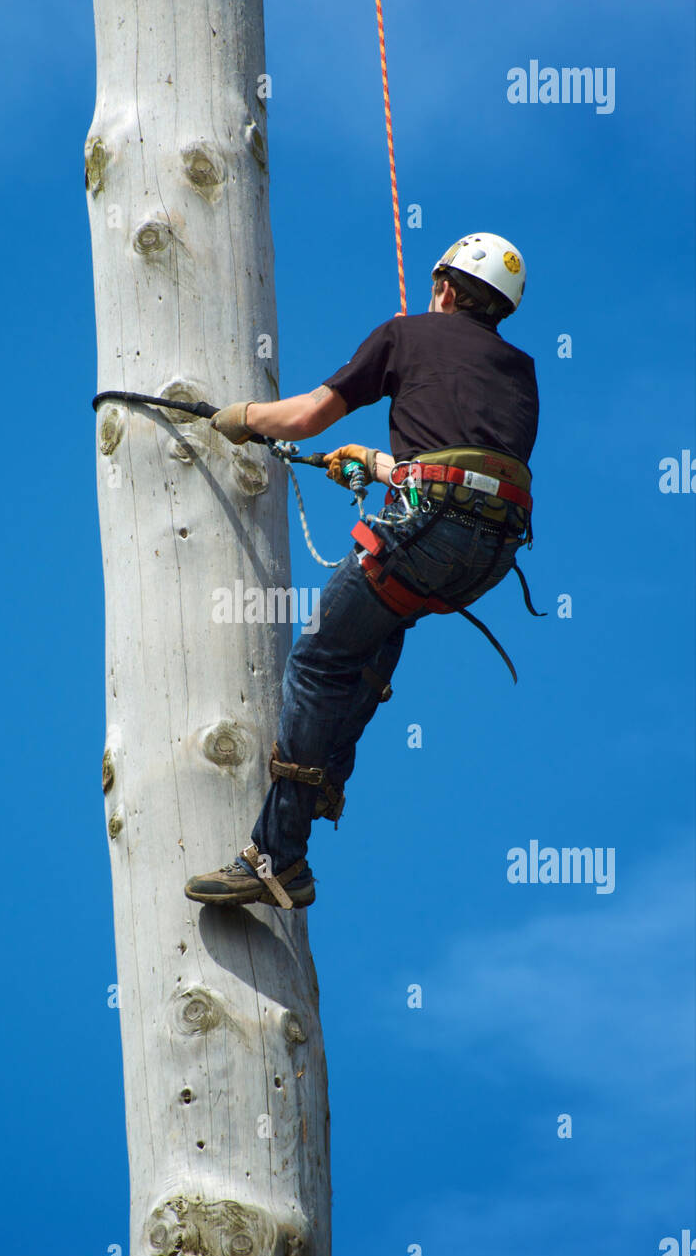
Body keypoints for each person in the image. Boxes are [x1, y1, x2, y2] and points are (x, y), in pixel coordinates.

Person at [184, 232, 539, 910]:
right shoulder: (518, 371)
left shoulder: (406, 334)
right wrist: (377, 465)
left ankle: (277, 856)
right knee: (376, 631)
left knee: (318, 662)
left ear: (442, 287)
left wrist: (238, 418)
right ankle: (322, 778)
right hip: (487, 553)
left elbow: (305, 416)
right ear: (500, 309)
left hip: (427, 527)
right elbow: (468, 461)